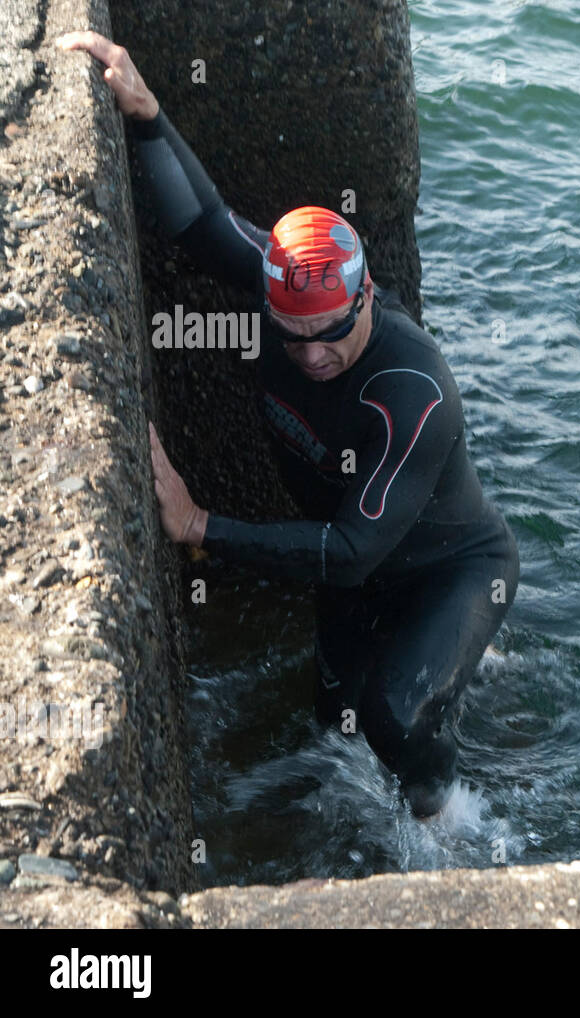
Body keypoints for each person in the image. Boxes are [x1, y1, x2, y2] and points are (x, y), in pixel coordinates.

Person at [56, 31, 520, 817]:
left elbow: (345, 552)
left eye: (332, 333)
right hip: (360, 562)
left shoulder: (414, 391)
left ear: (367, 298)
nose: (311, 355)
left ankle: (453, 828)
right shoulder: (289, 294)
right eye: (292, 333)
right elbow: (204, 224)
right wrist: (145, 114)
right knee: (330, 718)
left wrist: (201, 525)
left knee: (393, 717)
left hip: (453, 567)